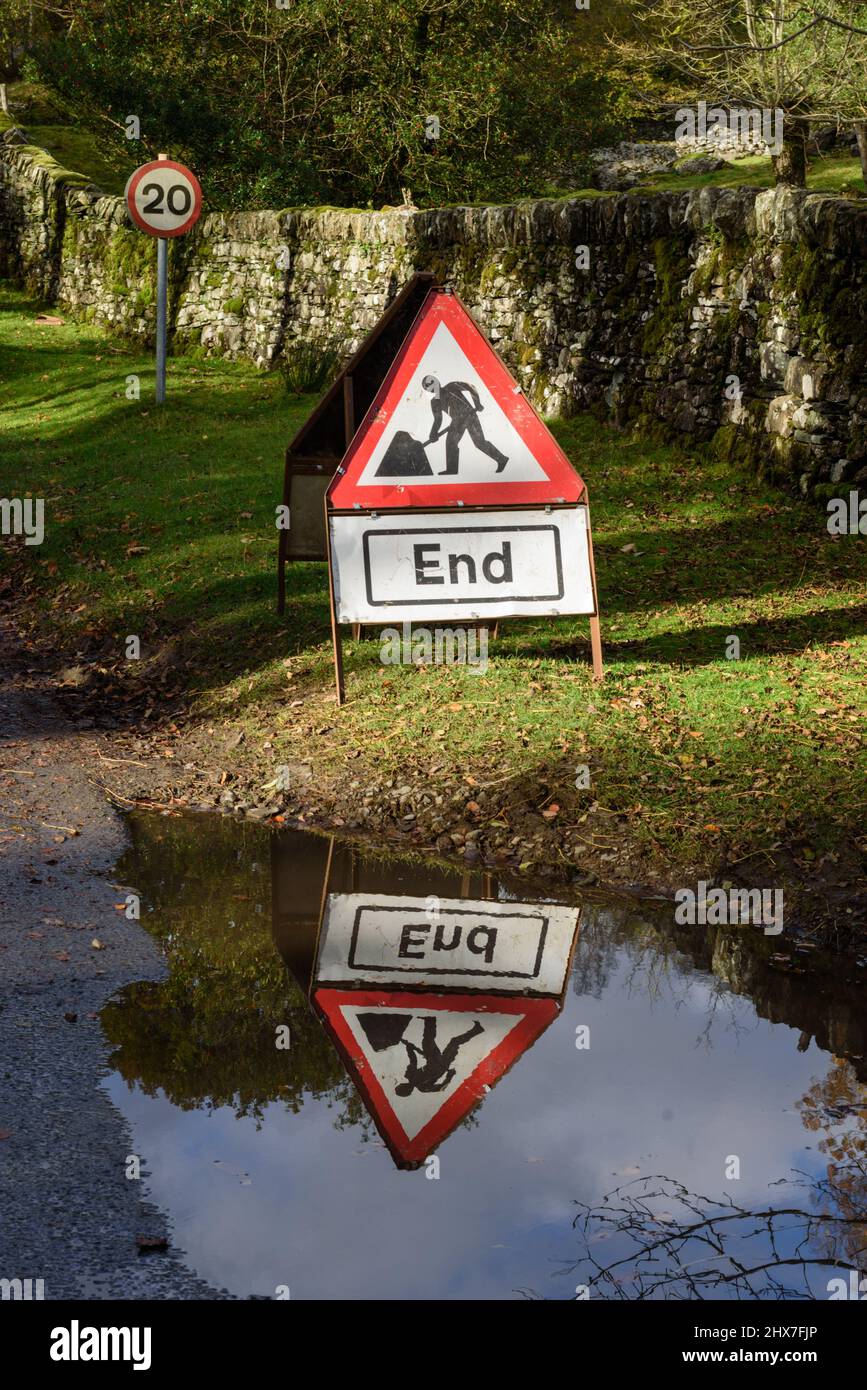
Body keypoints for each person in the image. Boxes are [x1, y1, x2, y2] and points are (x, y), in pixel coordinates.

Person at [422, 374, 508, 475]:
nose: (434, 385)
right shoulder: (435, 402)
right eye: (430, 385)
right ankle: (452, 469)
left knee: (479, 443)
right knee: (451, 443)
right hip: (457, 421)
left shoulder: (451, 386)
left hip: (469, 415)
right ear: (428, 389)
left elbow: (470, 387)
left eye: (433, 381)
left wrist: (477, 403)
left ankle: (501, 459)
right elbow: (438, 419)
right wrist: (433, 433)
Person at [394, 1016, 485, 1096]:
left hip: (433, 1060)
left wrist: (409, 1048)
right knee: (453, 1042)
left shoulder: (410, 1075)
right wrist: (450, 1076)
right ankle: (477, 1029)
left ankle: (430, 1021)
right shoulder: (422, 1087)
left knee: (429, 1042)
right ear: (406, 1089)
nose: (401, 1085)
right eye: (401, 1086)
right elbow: (441, 1087)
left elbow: (413, 1060)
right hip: (443, 1064)